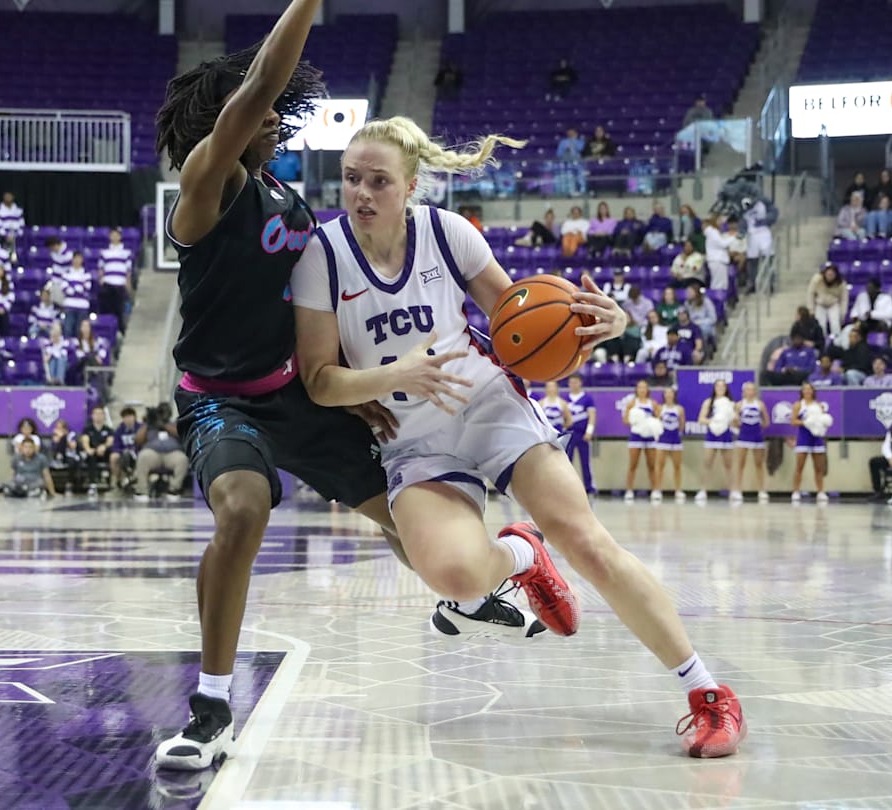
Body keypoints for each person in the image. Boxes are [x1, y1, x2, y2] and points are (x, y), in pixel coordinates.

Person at [150, 4, 536, 769]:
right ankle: (211, 707)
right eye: (265, 111)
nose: (277, 118)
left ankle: (466, 595)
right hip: (221, 398)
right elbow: (261, 83)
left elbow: (311, 313)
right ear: (235, 116)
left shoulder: (286, 196)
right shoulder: (203, 186)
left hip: (298, 390)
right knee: (245, 509)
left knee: (406, 515)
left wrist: (344, 382)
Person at [290, 113, 746, 760]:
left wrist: (599, 326)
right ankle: (521, 558)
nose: (362, 193)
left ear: (412, 186)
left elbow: (525, 330)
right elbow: (318, 380)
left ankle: (708, 694)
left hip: (485, 405)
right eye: (352, 179)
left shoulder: (448, 235)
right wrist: (395, 375)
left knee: (586, 539)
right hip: (413, 439)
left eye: (379, 182)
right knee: (455, 576)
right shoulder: (322, 255)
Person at [135, 404, 190, 500]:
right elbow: (138, 440)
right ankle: (142, 490)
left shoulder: (174, 423)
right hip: (153, 453)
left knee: (182, 459)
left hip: (172, 454)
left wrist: (164, 426)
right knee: (143, 456)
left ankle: (174, 489)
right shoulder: (150, 425)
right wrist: (148, 423)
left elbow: (180, 434)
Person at [789, 382, 829, 503]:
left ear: (813, 391)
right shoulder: (798, 405)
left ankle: (820, 491)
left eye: (809, 389)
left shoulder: (819, 405)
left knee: (819, 467)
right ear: (802, 392)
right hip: (803, 438)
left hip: (816, 438)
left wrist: (822, 424)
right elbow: (793, 421)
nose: (807, 391)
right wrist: (806, 422)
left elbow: (822, 421)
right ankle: (796, 491)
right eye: (805, 389)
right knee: (799, 467)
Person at [623, 379, 659, 500]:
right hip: (636, 436)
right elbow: (625, 420)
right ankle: (629, 491)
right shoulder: (632, 403)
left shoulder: (652, 403)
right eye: (640, 387)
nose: (642, 390)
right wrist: (636, 421)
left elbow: (659, 418)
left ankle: (655, 490)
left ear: (647, 390)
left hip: (649, 437)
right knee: (633, 464)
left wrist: (650, 424)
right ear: (636, 390)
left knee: (652, 465)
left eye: (644, 387)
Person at [652, 386, 685, 502]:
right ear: (664, 395)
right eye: (667, 393)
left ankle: (678, 490)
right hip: (662, 440)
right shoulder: (660, 408)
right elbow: (656, 423)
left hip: (675, 440)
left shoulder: (679, 409)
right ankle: (657, 490)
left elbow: (682, 425)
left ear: (674, 395)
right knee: (659, 466)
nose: (669, 395)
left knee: (677, 466)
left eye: (671, 393)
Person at [98, 228, 135, 331]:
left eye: (116, 235)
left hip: (120, 285)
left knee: (119, 311)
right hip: (108, 284)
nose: (114, 237)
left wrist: (128, 286)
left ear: (120, 236)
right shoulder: (104, 252)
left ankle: (119, 332)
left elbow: (128, 271)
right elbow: (101, 269)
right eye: (112, 234)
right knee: (107, 311)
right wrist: (101, 280)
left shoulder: (126, 253)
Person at [565, 373, 596, 495]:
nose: (573, 385)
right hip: (570, 434)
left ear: (580, 383)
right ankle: (567, 487)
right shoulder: (565, 399)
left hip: (583, 434)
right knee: (568, 462)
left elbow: (592, 416)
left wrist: (589, 431)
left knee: (586, 462)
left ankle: (589, 487)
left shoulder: (587, 398)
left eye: (576, 382)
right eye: (571, 382)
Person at [807, 263, 848, 340]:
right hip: (820, 304)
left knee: (835, 324)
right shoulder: (817, 279)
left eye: (832, 274)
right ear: (824, 273)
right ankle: (822, 342)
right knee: (821, 325)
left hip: (833, 304)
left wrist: (842, 314)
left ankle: (837, 342)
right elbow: (810, 294)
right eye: (828, 274)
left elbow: (844, 299)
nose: (830, 276)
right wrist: (811, 309)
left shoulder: (841, 282)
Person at [80, 407, 116, 495]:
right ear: (92, 416)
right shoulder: (88, 429)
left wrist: (104, 446)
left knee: (113, 456)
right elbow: (85, 440)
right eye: (96, 414)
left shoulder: (108, 429)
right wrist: (88, 449)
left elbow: (110, 440)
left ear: (104, 416)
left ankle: (113, 483)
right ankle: (92, 485)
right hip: (93, 452)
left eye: (100, 414)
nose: (98, 416)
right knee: (90, 456)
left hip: (104, 452)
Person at [109, 406, 142, 491]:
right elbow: (115, 446)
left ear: (134, 417)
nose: (128, 419)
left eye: (130, 416)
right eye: (125, 417)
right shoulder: (119, 430)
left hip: (138, 452)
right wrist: (122, 451)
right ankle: (117, 480)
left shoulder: (141, 428)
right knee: (114, 457)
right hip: (123, 453)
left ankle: (138, 481)